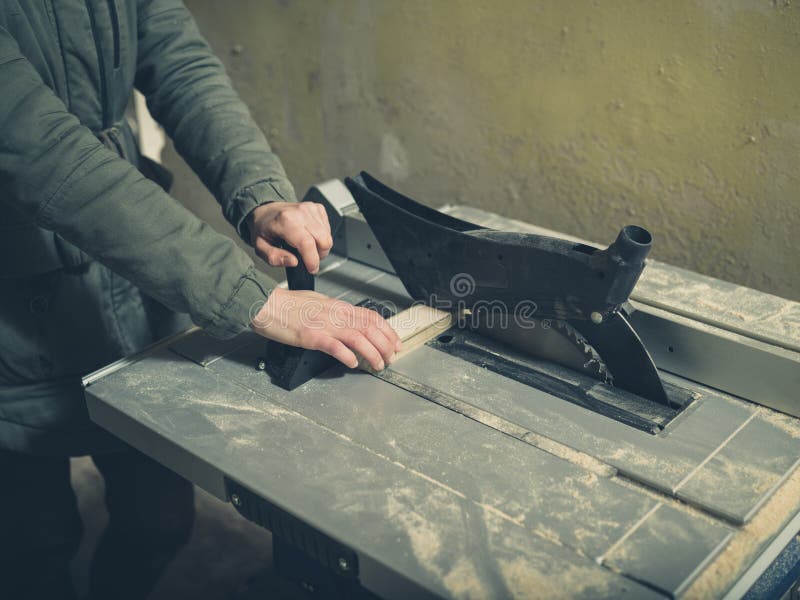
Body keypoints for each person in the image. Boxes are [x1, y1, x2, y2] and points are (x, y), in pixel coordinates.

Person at [0, 1, 400, 598]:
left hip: (127, 284)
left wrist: (260, 196)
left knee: (159, 522)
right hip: (14, 307)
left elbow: (180, 64)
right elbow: (38, 148)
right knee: (34, 545)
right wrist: (247, 298)